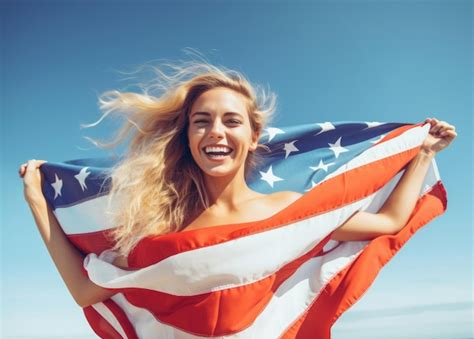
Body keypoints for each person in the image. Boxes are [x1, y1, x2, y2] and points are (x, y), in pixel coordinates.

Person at [18, 61, 457, 312]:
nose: (216, 132)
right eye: (201, 122)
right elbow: (85, 290)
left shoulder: (286, 208)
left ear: (252, 137)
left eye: (232, 121)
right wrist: (38, 201)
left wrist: (423, 154)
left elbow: (389, 220)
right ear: (187, 138)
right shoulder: (161, 221)